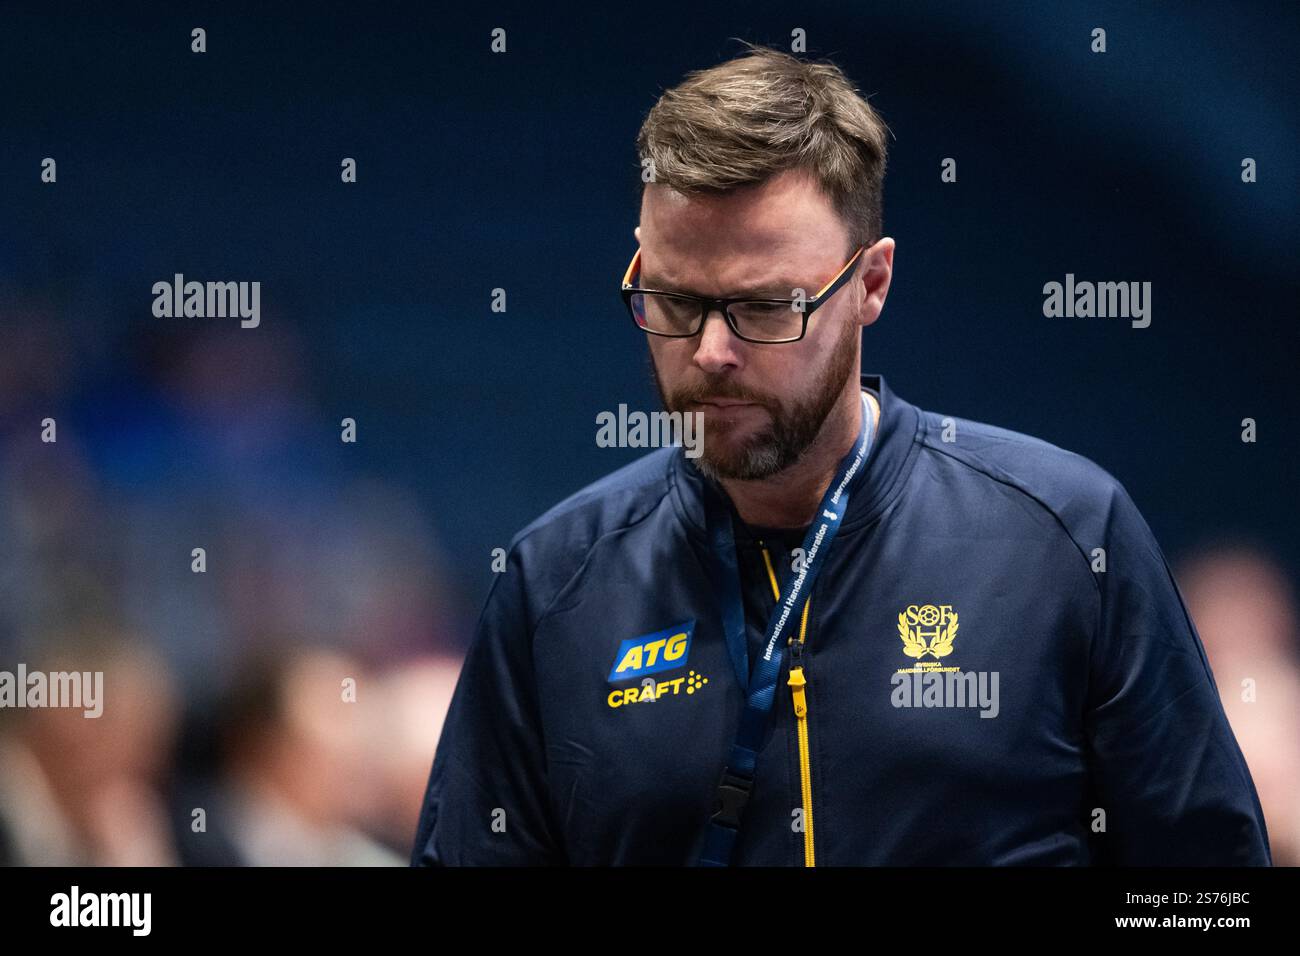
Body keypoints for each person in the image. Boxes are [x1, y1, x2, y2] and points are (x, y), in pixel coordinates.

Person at [410, 43, 1270, 866]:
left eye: (768, 305)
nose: (711, 352)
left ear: (871, 285)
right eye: (674, 299)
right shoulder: (553, 583)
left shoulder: (1066, 538)